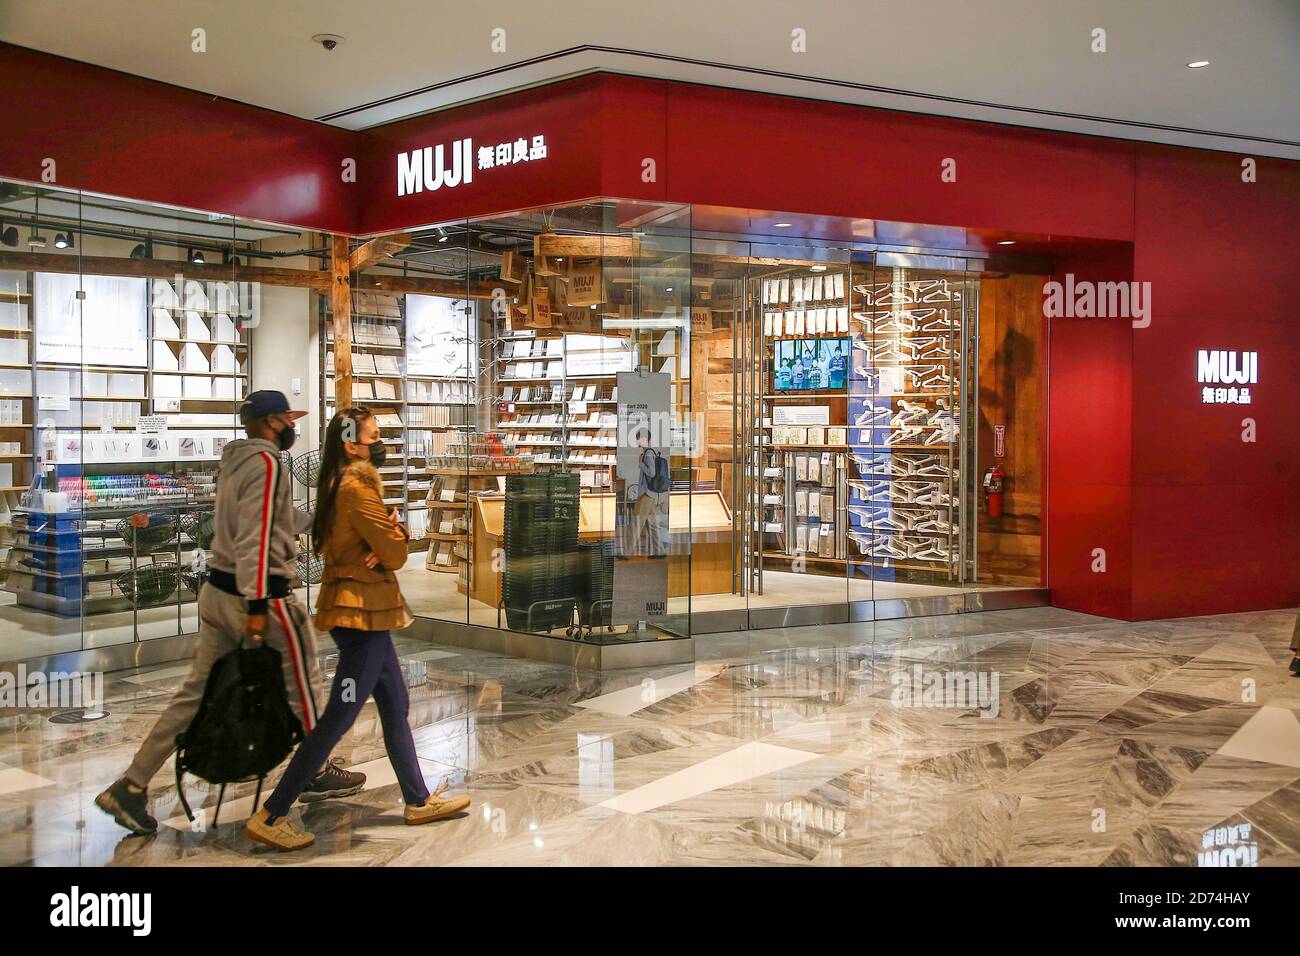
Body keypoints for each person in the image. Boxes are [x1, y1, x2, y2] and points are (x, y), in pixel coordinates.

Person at [96, 390, 365, 835]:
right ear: (273, 422)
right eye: (287, 419)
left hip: (218, 592)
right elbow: (258, 537)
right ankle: (316, 771)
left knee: (196, 694)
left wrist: (319, 518)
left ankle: (132, 784)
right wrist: (260, 604)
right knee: (306, 684)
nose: (292, 427)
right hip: (259, 597)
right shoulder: (267, 463)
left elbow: (272, 517)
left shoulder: (235, 461)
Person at [245, 407, 470, 851]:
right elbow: (395, 553)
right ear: (352, 444)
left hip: (366, 613)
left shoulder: (336, 485)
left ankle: (418, 800)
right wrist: (393, 534)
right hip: (361, 616)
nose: (380, 442)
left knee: (396, 703)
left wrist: (384, 538)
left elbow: (362, 545)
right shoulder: (357, 489)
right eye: (374, 435)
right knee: (340, 715)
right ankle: (273, 812)